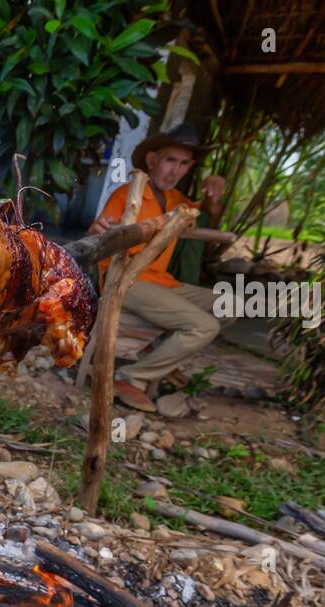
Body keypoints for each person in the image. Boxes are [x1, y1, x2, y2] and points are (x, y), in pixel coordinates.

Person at [86, 123, 227, 412]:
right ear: (152, 161)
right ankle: (132, 376)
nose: (176, 171)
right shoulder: (126, 194)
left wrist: (214, 197)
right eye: (170, 160)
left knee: (231, 306)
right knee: (205, 326)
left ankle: (154, 355)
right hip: (125, 279)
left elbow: (209, 215)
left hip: (161, 282)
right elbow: (97, 235)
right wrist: (96, 231)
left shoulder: (177, 201)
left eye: (184, 163)